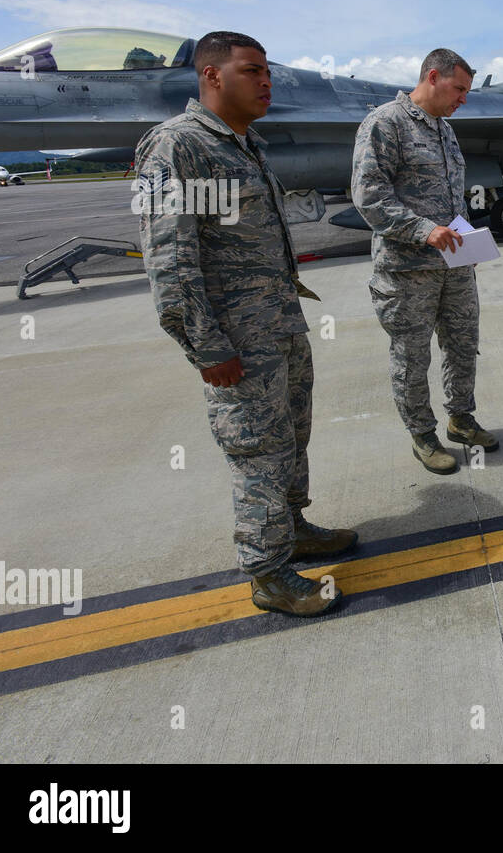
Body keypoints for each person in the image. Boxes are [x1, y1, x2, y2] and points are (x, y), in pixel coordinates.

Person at [136, 31, 357, 617]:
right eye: (252, 71)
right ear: (211, 75)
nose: (266, 82)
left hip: (277, 325)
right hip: (236, 340)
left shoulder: (243, 143)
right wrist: (205, 347)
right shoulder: (176, 147)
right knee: (256, 448)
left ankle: (292, 528)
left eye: (267, 72)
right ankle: (268, 572)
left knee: (290, 436)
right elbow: (170, 261)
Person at [351, 49, 498, 475]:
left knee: (463, 347)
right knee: (412, 357)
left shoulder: (445, 130)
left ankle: (461, 420)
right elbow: (369, 196)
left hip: (454, 266)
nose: (464, 99)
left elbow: (452, 197)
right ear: (433, 77)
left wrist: (469, 243)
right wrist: (423, 231)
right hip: (406, 270)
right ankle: (422, 434)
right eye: (459, 89)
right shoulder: (384, 123)